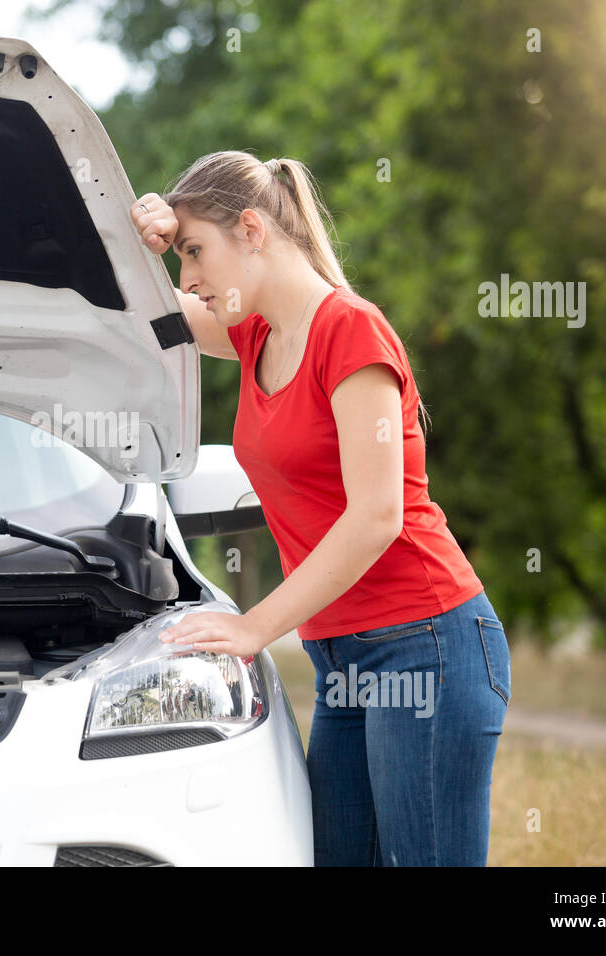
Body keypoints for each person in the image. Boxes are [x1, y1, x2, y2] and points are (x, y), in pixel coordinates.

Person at [129, 150, 511, 866]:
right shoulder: (255, 335)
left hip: (425, 643)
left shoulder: (350, 332)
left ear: (251, 230)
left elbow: (376, 517)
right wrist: (140, 233)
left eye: (195, 252)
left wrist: (253, 628)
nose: (188, 278)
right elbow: (140, 315)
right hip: (343, 659)